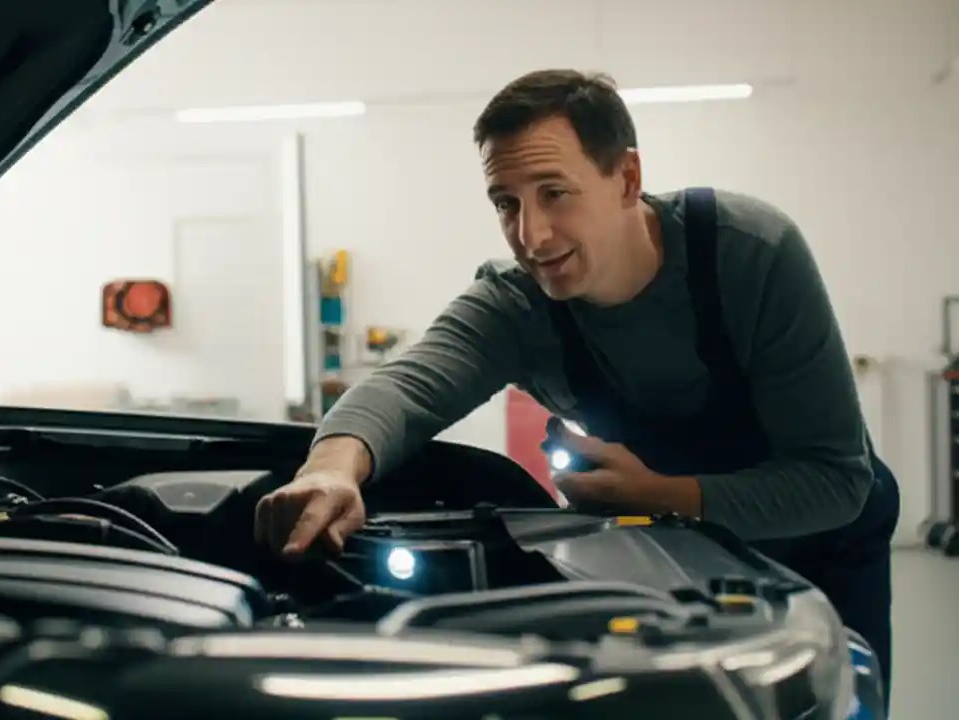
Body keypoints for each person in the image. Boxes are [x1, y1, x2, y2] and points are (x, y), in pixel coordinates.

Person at [253, 69, 900, 696]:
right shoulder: (518, 305)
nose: (530, 236)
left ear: (627, 177)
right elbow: (406, 387)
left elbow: (836, 481)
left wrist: (659, 493)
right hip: (675, 560)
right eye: (506, 203)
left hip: (821, 557)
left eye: (553, 193)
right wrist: (331, 470)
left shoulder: (750, 253)